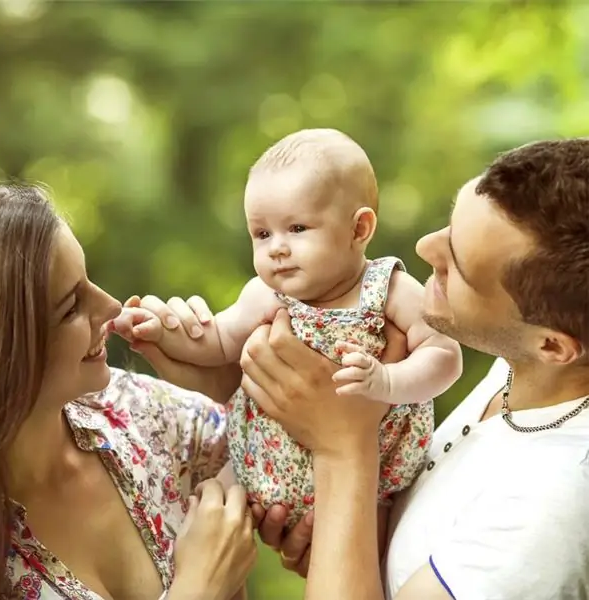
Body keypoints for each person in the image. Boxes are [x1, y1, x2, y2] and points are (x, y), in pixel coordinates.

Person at [134, 139, 589, 599]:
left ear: (552, 345)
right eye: (449, 228)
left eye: (461, 263)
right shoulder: (519, 372)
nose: (425, 248)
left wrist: (342, 448)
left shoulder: (542, 514)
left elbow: (397, 400)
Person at [113, 128, 462, 528]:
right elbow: (216, 340)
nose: (277, 247)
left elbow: (444, 355)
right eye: (262, 234)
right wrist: (159, 331)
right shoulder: (266, 295)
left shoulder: (388, 290)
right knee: (204, 510)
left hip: (373, 482)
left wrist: (387, 380)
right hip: (260, 471)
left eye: (297, 229)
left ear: (359, 229)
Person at [0, 183, 256, 600]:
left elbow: (301, 441)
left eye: (88, 278)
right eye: (71, 306)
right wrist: (198, 589)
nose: (112, 306)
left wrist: (230, 380)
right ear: (5, 355)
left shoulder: (133, 413)